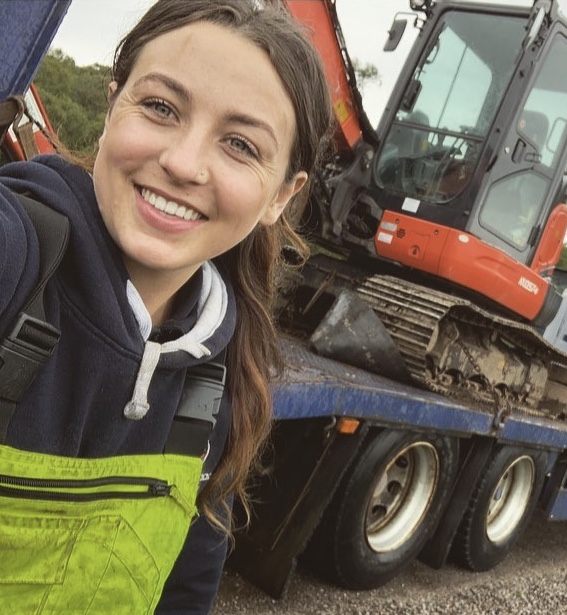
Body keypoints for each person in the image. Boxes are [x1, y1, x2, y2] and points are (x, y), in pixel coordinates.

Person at [0, 0, 332, 612]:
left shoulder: (219, 381)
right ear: (111, 109)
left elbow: (185, 588)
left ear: (281, 196)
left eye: (240, 144)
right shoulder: (15, 256)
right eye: (160, 107)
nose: (182, 163)